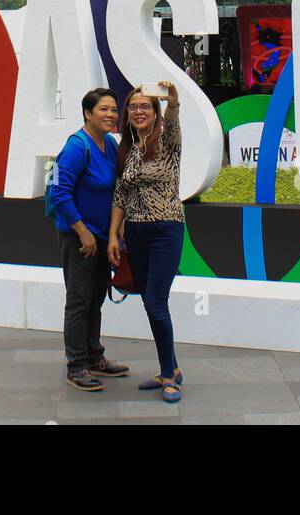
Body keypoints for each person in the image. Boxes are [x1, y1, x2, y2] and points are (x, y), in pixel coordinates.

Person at [48, 88, 131, 391]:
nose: (111, 115)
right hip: (79, 238)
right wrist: (83, 232)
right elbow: (58, 191)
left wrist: (115, 230)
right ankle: (76, 366)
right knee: (79, 301)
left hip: (102, 236)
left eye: (113, 109)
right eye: (103, 110)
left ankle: (94, 357)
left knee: (96, 298)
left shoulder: (110, 144)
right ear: (87, 113)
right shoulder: (76, 147)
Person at [109, 80, 184, 404]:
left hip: (166, 229)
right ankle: (172, 368)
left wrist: (173, 100)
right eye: (134, 107)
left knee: (156, 302)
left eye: (145, 107)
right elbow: (120, 195)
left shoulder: (167, 142)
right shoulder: (127, 149)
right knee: (149, 303)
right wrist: (113, 234)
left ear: (155, 112)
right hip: (135, 234)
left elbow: (174, 119)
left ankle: (168, 376)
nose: (139, 111)